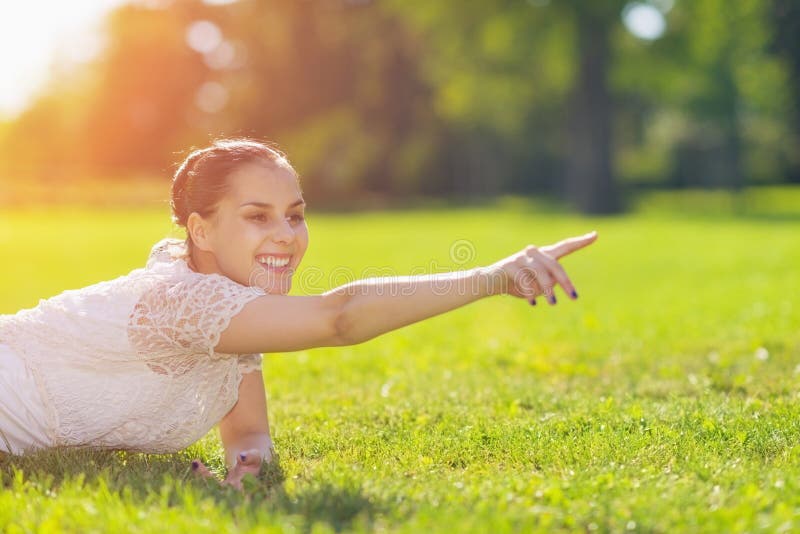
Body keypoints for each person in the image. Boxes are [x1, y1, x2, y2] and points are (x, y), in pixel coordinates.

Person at [0, 138, 597, 489]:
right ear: (201, 231)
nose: (286, 235)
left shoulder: (230, 303)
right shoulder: (186, 299)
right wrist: (491, 278)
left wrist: (246, 471)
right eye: (258, 216)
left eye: (295, 214)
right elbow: (341, 318)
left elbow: (248, 432)